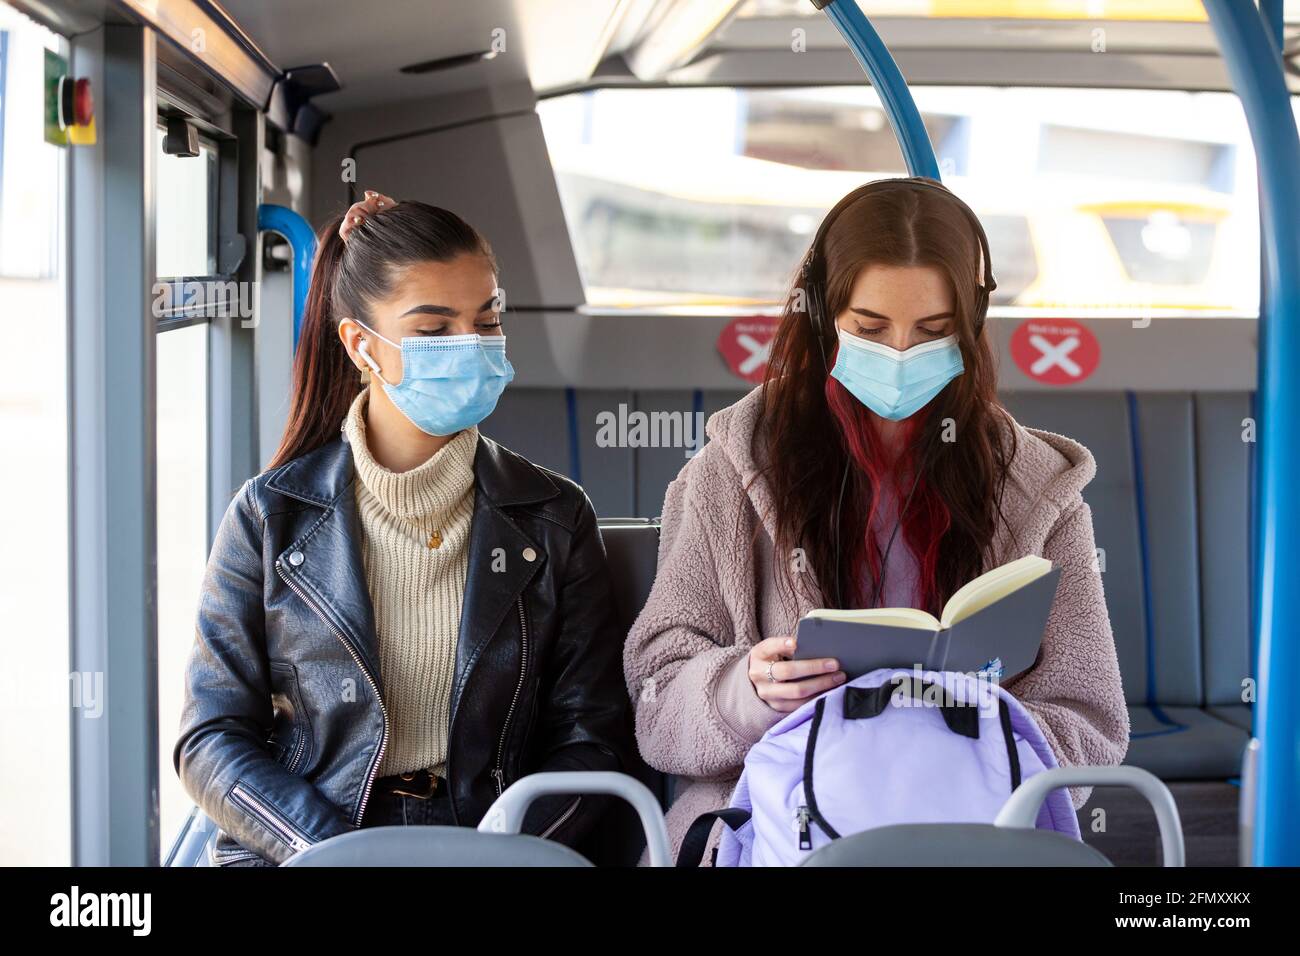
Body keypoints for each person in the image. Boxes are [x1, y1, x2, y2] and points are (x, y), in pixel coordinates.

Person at [623, 177, 1130, 865]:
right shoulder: (726, 476)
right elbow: (657, 699)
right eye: (868, 328)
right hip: (782, 820)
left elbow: (1090, 718)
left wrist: (961, 733)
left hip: (970, 824)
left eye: (932, 331)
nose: (898, 355)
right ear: (822, 316)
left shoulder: (1038, 486)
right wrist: (747, 690)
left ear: (971, 326)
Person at [176, 191, 631, 866]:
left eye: (487, 320)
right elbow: (211, 737)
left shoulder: (555, 517)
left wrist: (507, 855)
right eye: (434, 330)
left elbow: (592, 736)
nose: (470, 348)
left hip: (488, 841)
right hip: (311, 839)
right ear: (362, 345)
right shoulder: (270, 516)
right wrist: (330, 852)